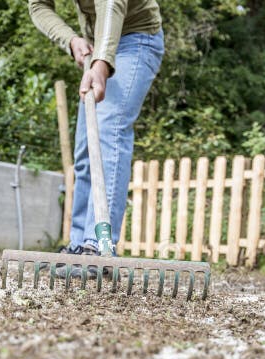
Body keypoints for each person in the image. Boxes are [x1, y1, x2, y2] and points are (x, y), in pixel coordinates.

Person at [28, 0, 164, 278]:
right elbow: (38, 5)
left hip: (137, 38)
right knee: (85, 149)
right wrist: (71, 39)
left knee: (108, 130)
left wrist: (102, 63)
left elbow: (111, 3)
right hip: (97, 41)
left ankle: (99, 244)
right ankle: (79, 245)